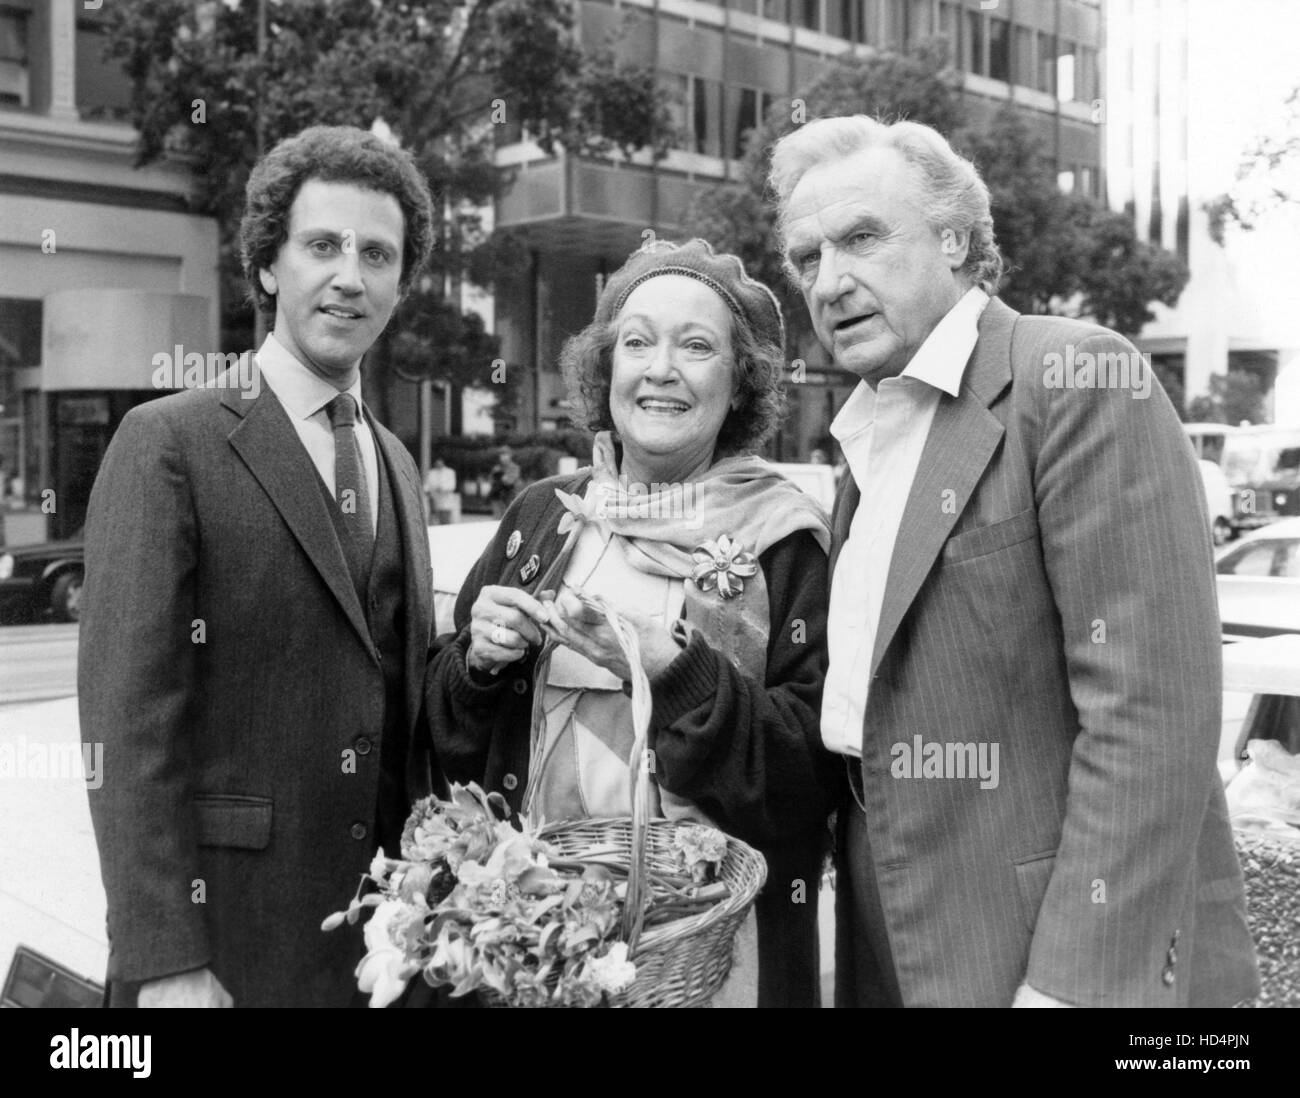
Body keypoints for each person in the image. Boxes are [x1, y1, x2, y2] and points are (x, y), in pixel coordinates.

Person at [770, 115, 1260, 1008]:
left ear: (956, 239)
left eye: (862, 239)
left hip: (1047, 941)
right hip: (886, 910)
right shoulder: (869, 433)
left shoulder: (1073, 378)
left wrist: (1068, 990)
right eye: (807, 259)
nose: (831, 281)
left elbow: (1153, 722)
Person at [79, 126, 440, 1007]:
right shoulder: (168, 441)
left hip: (373, 958)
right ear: (269, 266)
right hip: (221, 953)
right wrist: (164, 958)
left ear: (399, 284)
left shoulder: (396, 462)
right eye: (322, 245)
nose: (349, 275)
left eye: (377, 254)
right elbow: (127, 729)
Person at [425, 239, 838, 1007]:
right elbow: (446, 740)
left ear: (741, 383)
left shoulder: (785, 540)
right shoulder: (544, 517)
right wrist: (477, 666)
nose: (660, 369)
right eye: (638, 342)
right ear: (605, 368)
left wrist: (677, 675)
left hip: (710, 963)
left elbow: (810, 780)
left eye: (697, 347)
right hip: (532, 951)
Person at [487, 446, 520, 517]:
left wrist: (502, 478)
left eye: (505, 455)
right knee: (497, 518)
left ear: (510, 455)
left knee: (508, 517)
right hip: (497, 496)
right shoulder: (496, 468)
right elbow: (491, 480)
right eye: (501, 455)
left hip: (509, 496)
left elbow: (510, 482)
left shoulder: (514, 467)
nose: (503, 457)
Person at [423, 457, 458, 524]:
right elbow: (426, 485)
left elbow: (452, 486)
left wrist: (442, 488)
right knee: (433, 520)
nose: (438, 464)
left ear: (443, 462)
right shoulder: (431, 473)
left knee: (445, 520)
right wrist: (427, 490)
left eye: (440, 462)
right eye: (437, 463)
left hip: (445, 500)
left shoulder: (450, 472)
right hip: (433, 500)